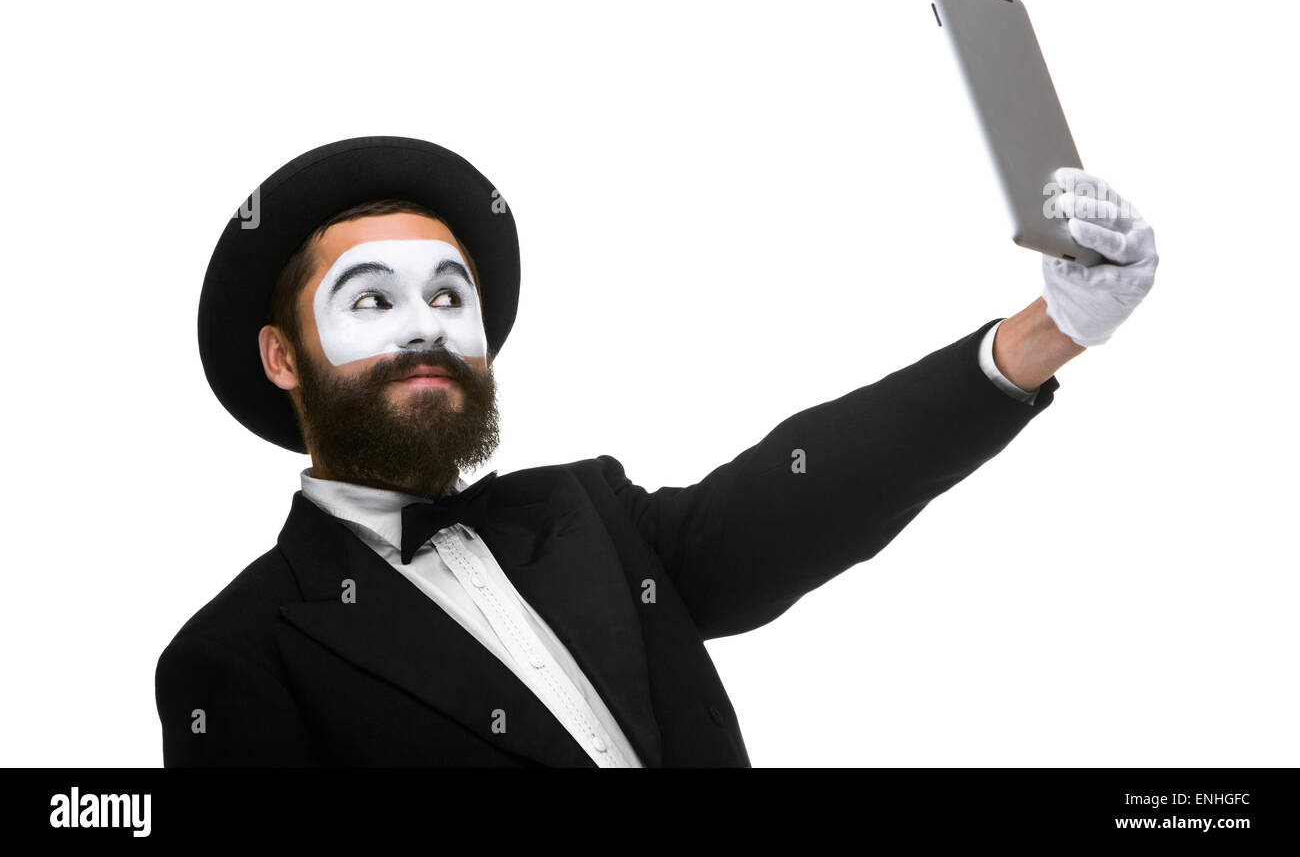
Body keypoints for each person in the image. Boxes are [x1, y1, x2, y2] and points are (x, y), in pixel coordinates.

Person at [155, 135, 1158, 767]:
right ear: (283, 354)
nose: (425, 326)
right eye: (373, 299)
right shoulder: (235, 656)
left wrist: (1045, 331)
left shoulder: (590, 515)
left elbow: (807, 488)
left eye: (448, 295)